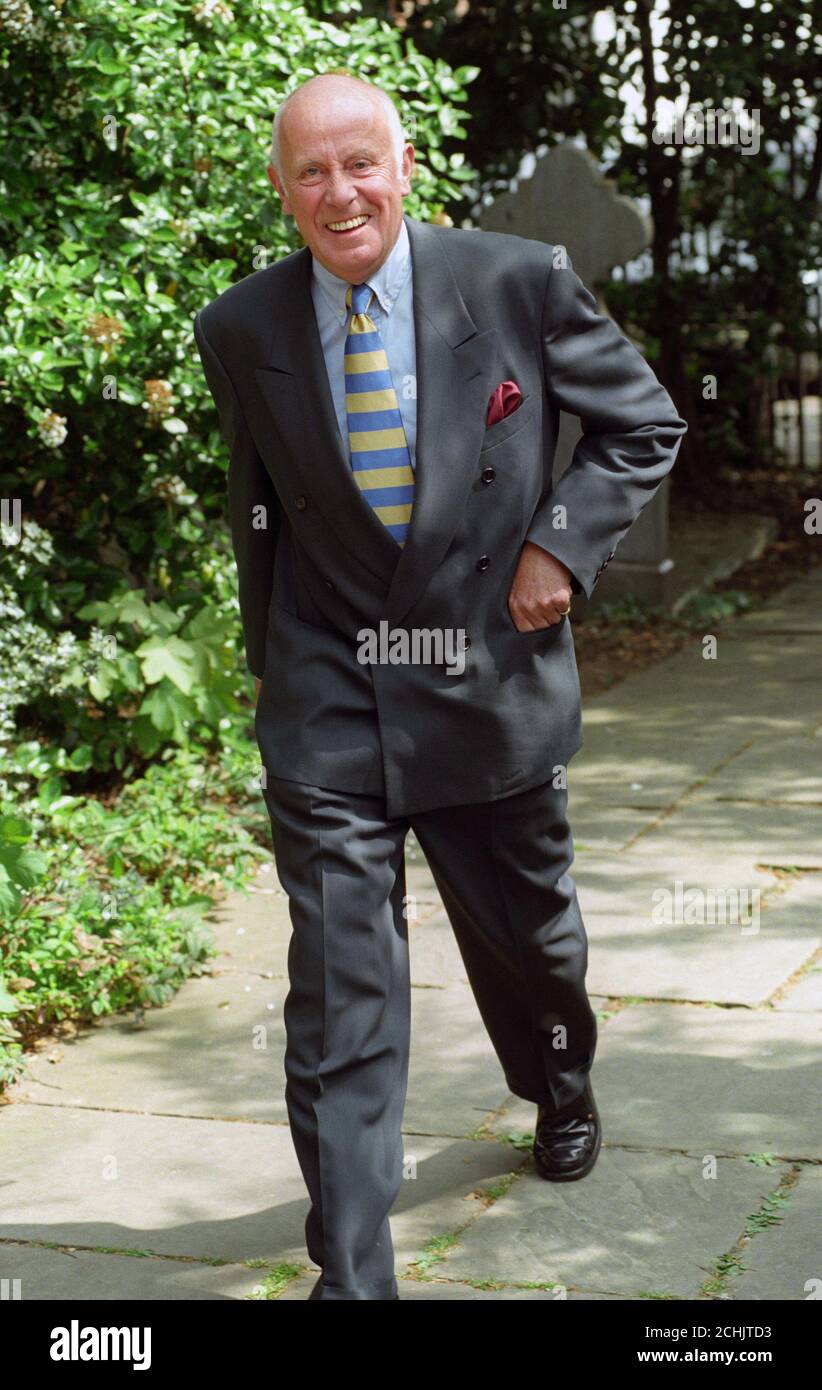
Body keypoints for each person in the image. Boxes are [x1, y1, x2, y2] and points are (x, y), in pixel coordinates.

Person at [194, 70, 687, 1301]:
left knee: (530, 944)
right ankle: (353, 1273)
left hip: (483, 672)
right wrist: (274, 659)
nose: (338, 190)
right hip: (332, 690)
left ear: (403, 166)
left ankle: (561, 1080)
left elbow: (642, 424)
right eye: (310, 171)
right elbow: (263, 503)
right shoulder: (241, 327)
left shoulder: (514, 280)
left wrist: (556, 547)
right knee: (342, 985)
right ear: (281, 189)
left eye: (359, 162)